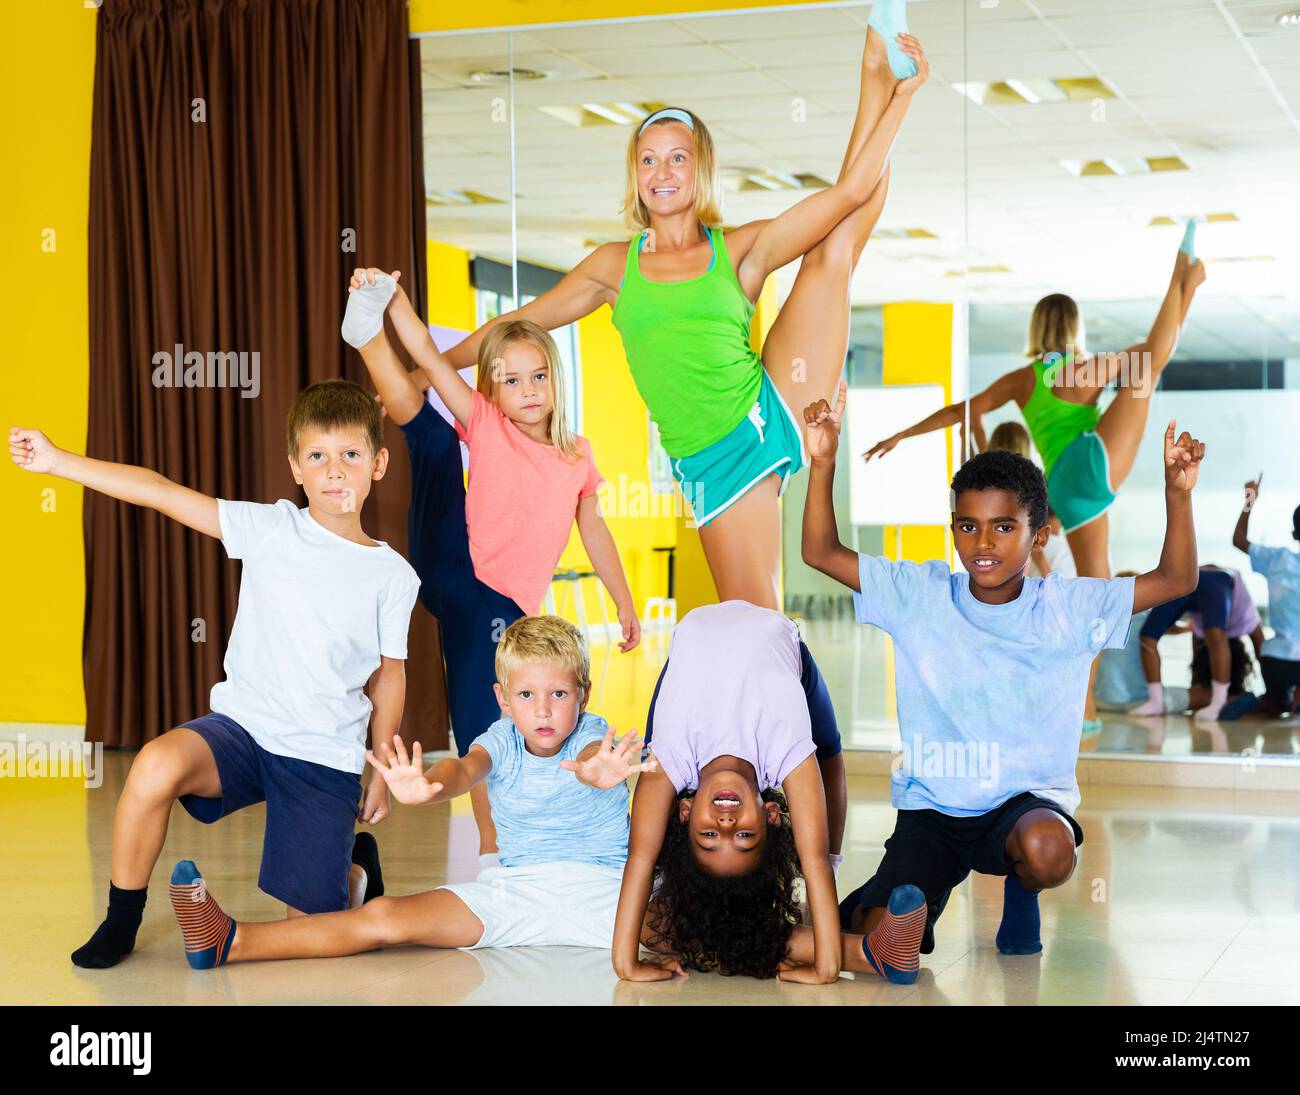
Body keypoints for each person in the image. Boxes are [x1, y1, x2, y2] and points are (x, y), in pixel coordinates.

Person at [10, 381, 422, 968]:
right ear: (294, 468)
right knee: (154, 765)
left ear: (377, 463)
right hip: (244, 731)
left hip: (321, 753)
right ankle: (120, 920)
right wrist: (57, 462)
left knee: (312, 936)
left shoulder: (392, 575)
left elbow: (389, 677)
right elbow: (160, 492)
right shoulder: (272, 528)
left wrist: (380, 767)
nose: (335, 472)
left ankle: (353, 870)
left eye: (350, 455)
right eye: (317, 457)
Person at [802, 380, 1204, 959]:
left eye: (1003, 527)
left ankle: (1022, 893)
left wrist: (1178, 494)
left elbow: (1175, 580)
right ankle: (909, 905)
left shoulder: (1068, 607)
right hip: (933, 809)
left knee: (1048, 849)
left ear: (1038, 534)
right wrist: (822, 461)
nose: (982, 542)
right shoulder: (921, 593)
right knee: (873, 939)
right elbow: (820, 551)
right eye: (967, 526)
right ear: (954, 530)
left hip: (1021, 807)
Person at [341, 272, 638, 857]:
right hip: (462, 569)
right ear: (493, 390)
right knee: (486, 731)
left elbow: (593, 527)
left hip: (500, 602)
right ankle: (493, 851)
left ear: (556, 380)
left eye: (539, 376)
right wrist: (396, 300)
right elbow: (428, 354)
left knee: (426, 436)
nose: (527, 390)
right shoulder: (486, 423)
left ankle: (365, 339)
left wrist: (622, 601)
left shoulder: (577, 454)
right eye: (511, 380)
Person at [168, 616, 651, 967]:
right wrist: (424, 787)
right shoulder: (499, 740)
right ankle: (231, 940)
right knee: (385, 918)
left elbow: (590, 759)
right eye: (527, 696)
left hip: (610, 897)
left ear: (583, 695)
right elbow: (462, 772)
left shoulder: (594, 732)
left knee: (703, 919)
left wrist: (597, 772)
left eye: (558, 695)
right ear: (504, 699)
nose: (543, 711)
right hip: (515, 895)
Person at [612, 601, 922, 985]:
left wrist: (625, 964)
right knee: (827, 752)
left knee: (652, 924)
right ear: (772, 814)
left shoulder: (670, 756)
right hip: (789, 652)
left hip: (686, 652)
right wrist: (825, 967)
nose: (726, 823)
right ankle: (865, 953)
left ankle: (842, 949)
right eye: (744, 835)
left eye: (710, 836)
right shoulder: (784, 751)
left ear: (686, 811)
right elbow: (814, 859)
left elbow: (640, 857)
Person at [1133, 565, 1262, 721]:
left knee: (1148, 635)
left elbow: (1199, 650)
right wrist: (1272, 691)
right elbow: (1260, 647)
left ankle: (1157, 701)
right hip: (1210, 578)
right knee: (1213, 635)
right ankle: (1159, 702)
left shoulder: (1211, 624)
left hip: (1191, 577)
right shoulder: (1240, 617)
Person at [1233, 475, 1300, 717]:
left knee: (1276, 708)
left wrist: (1249, 500)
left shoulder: (1278, 559)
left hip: (1276, 659)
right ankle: (1291, 703)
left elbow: (1238, 540)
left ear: (1294, 534)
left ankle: (1271, 702)